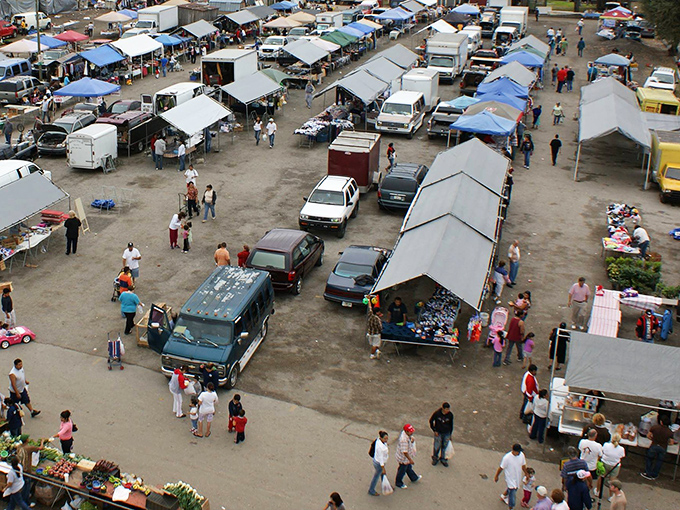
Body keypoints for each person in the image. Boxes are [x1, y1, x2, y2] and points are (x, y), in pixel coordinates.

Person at [641, 415, 676, 480]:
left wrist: (653, 439)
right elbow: (671, 442)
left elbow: (648, 435)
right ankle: (654, 474)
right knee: (659, 461)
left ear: (661, 422)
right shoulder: (670, 432)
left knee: (649, 459)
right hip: (663, 447)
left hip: (654, 445)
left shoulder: (654, 428)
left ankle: (648, 473)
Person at [494, 444, 528, 510]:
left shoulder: (521, 455)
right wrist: (496, 476)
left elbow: (523, 466)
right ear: (514, 451)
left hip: (517, 477)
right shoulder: (507, 458)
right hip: (510, 478)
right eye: (518, 451)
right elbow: (501, 468)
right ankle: (511, 508)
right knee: (512, 496)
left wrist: (526, 474)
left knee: (513, 489)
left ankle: (503, 496)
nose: (519, 453)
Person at [395, 424, 421, 489]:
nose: (412, 432)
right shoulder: (403, 440)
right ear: (406, 431)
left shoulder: (406, 435)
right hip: (403, 459)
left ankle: (414, 478)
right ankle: (398, 482)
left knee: (408, 468)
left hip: (405, 458)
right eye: (410, 431)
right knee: (402, 470)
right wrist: (410, 460)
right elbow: (405, 452)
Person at [429, 402, 454, 467]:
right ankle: (435, 458)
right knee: (437, 446)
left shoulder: (450, 415)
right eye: (446, 409)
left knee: (444, 446)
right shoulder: (437, 414)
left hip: (446, 433)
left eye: (448, 409)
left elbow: (451, 425)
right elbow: (431, 421)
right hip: (438, 433)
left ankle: (443, 458)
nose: (447, 411)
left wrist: (450, 434)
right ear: (443, 408)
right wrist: (434, 430)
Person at [368, 430, 389, 496]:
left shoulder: (378, 441)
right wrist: (383, 468)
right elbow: (381, 459)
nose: (386, 440)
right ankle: (371, 490)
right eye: (385, 438)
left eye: (387, 438)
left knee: (382, 474)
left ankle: (386, 485)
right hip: (379, 463)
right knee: (377, 476)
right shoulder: (380, 447)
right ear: (381, 438)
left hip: (376, 461)